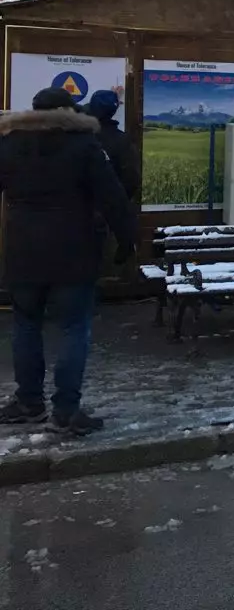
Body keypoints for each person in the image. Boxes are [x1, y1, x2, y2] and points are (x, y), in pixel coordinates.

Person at [0, 87, 135, 436]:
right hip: (74, 250)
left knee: (26, 326)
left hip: (22, 251)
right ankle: (65, 410)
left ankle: (28, 403)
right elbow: (113, 197)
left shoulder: (10, 143)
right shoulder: (84, 145)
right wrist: (127, 240)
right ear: (69, 111)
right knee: (74, 329)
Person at [85, 89, 139, 198]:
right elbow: (131, 178)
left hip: (81, 207)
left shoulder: (80, 135)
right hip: (111, 206)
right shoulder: (122, 140)